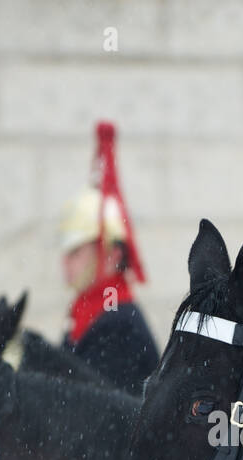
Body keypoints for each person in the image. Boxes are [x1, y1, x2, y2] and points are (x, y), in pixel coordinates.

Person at [58, 121, 159, 395]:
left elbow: (83, 405)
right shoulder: (84, 314)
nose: (65, 263)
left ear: (112, 255)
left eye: (76, 252)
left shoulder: (119, 322)